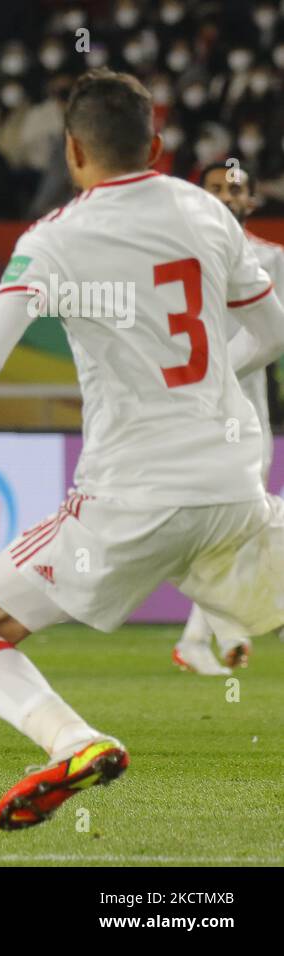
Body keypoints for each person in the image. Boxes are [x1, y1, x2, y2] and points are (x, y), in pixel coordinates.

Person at [0, 70, 284, 829]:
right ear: (157, 145)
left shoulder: (56, 240)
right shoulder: (206, 212)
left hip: (130, 498)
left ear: (70, 150)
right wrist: (204, 390)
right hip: (234, 485)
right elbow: (271, 332)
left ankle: (74, 739)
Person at [171, 163, 284, 675]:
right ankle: (215, 630)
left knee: (244, 516)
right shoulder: (175, 257)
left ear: (252, 199)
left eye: (233, 189)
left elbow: (272, 337)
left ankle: (210, 632)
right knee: (214, 517)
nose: (224, 196)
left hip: (245, 407)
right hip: (186, 409)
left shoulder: (272, 259)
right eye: (214, 189)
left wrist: (215, 373)